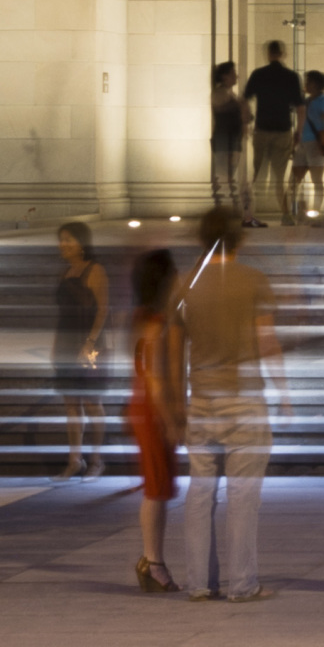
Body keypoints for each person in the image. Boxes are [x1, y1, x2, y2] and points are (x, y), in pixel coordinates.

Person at [177, 206, 280, 600]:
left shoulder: (187, 284)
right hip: (243, 402)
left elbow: (173, 346)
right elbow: (267, 340)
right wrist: (283, 392)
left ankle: (199, 583)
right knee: (242, 497)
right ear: (240, 238)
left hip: (201, 400)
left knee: (200, 492)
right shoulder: (253, 280)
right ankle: (242, 584)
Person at [124, 245, 185, 594]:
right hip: (151, 410)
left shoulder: (144, 318)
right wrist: (172, 419)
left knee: (158, 487)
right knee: (156, 487)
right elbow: (157, 379)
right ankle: (152, 561)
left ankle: (153, 560)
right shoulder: (156, 325)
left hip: (143, 406)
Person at [51, 222, 112, 475]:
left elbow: (102, 311)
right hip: (66, 343)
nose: (63, 245)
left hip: (91, 345)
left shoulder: (95, 271)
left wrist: (88, 343)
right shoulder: (65, 272)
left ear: (82, 243)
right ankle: (74, 460)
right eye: (61, 239)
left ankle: (96, 459)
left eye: (69, 240)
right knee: (71, 405)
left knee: (91, 403)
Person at [242, 42, 305, 214]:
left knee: (257, 172)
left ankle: (249, 213)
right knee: (280, 177)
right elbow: (300, 108)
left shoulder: (259, 74)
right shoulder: (291, 76)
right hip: (283, 129)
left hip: (262, 128)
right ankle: (285, 213)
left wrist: (247, 123)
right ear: (282, 54)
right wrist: (298, 132)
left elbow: (245, 99)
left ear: (268, 54)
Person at [289, 69, 324, 221]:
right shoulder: (306, 101)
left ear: (316, 84)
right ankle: (296, 212)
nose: (306, 85)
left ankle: (315, 212)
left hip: (316, 143)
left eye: (308, 82)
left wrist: (320, 143)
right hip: (304, 143)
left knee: (317, 180)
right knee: (294, 180)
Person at [209, 60, 249, 210]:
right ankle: (224, 206)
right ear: (224, 76)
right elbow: (221, 109)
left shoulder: (230, 93)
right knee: (223, 174)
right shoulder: (219, 92)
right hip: (223, 137)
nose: (236, 76)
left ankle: (230, 205)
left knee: (230, 173)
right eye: (233, 73)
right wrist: (241, 106)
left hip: (232, 137)